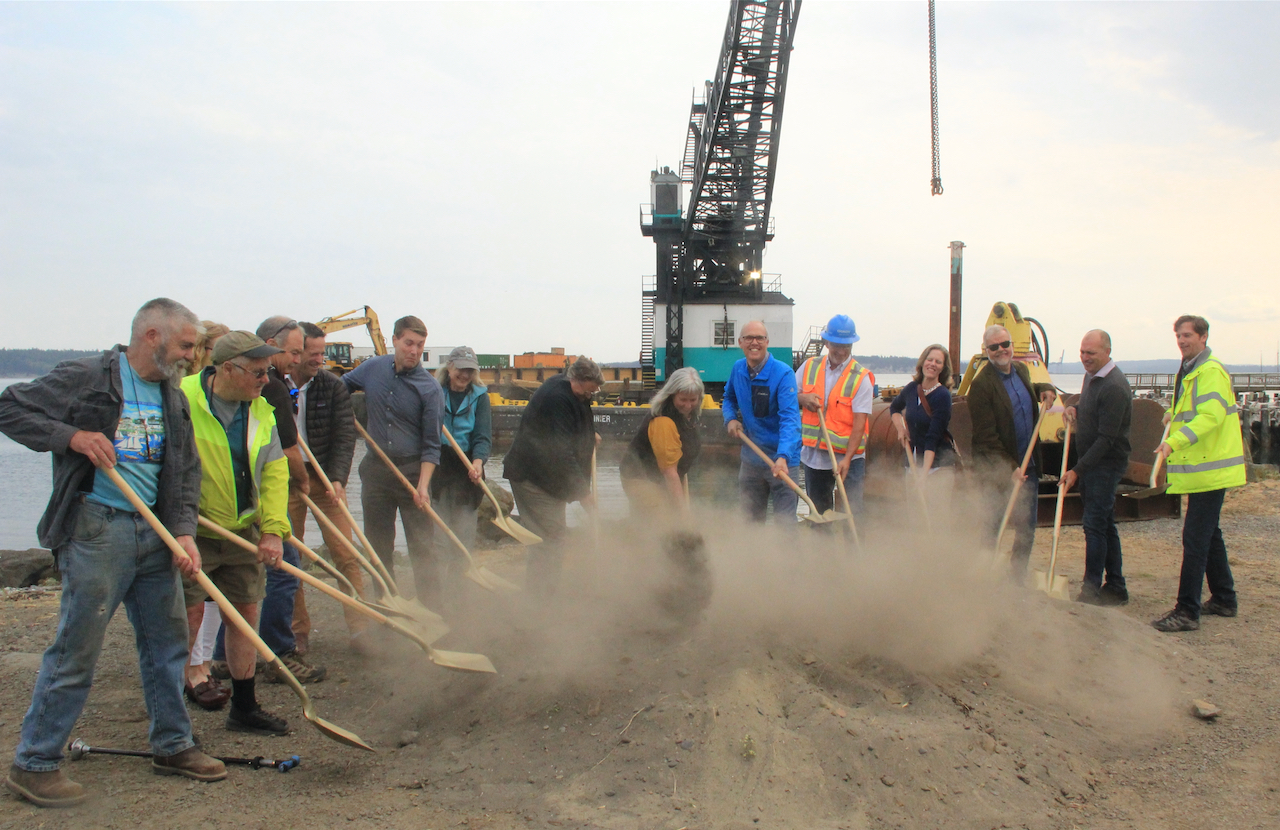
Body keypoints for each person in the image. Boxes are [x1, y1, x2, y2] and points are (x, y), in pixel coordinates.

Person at [0, 298, 226, 807]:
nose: (193, 356)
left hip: (155, 535)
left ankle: (172, 744)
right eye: (187, 345)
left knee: (167, 643)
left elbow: (185, 470)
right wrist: (72, 436)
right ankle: (34, 763)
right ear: (152, 335)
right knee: (77, 649)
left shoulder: (172, 395)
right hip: (97, 531)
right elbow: (8, 406)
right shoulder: (88, 377)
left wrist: (184, 530)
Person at [181, 331, 292, 736]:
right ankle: (174, 718)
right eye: (259, 372)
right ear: (227, 369)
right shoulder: (182, 399)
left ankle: (244, 708)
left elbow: (276, 473)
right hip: (191, 529)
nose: (267, 379)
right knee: (188, 618)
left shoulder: (261, 410)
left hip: (243, 529)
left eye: (267, 371)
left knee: (244, 615)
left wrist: (274, 530)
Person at [237, 316, 325, 683]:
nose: (297, 358)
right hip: (261, 494)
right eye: (293, 351)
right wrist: (303, 481)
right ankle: (279, 651)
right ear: (271, 344)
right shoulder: (272, 387)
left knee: (233, 579)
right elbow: (288, 451)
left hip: (242, 494)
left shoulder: (253, 384)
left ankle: (219, 657)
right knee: (285, 573)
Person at [1150, 315, 1245, 632]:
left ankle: (1187, 611)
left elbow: (1210, 416)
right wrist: (1170, 415)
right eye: (1178, 335)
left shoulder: (1210, 371)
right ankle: (1224, 598)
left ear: (1203, 337)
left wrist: (1173, 443)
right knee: (1208, 533)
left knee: (1195, 538)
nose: (1181, 340)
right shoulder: (1191, 369)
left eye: (1187, 335)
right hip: (1203, 470)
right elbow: (1189, 409)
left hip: (1211, 469)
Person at [342, 316, 444, 607]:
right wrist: (341, 410)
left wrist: (423, 487)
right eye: (409, 343)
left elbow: (431, 446)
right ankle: (388, 606)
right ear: (395, 340)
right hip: (375, 470)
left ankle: (431, 610)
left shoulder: (430, 389)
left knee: (422, 548)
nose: (414, 351)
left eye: (420, 345)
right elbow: (342, 386)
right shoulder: (373, 368)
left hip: (413, 473)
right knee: (378, 547)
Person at [288, 322, 368, 653]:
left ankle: (360, 627)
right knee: (292, 557)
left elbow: (344, 436)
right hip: (287, 478)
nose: (319, 359)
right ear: (297, 352)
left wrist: (337, 478)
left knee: (346, 553)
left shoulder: (332, 386)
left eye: (323, 352)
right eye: (313, 353)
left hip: (324, 478)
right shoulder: (276, 385)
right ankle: (298, 631)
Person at [503, 356, 603, 597]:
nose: (594, 393)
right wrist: (583, 493)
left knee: (552, 536)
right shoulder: (557, 397)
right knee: (550, 538)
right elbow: (561, 452)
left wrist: (589, 436)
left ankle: (545, 592)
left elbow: (570, 426)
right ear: (578, 381)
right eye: (592, 389)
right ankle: (541, 597)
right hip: (533, 477)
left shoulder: (573, 390)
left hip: (549, 478)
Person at [967, 324, 1057, 581]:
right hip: (999, 471)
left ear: (1012, 346)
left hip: (1028, 466)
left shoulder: (1020, 370)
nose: (1000, 350)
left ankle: (1016, 578)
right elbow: (986, 438)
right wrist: (1009, 469)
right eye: (994, 347)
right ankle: (984, 578)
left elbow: (1028, 391)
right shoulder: (981, 387)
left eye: (1004, 344)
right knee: (993, 525)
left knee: (1026, 527)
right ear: (986, 350)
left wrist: (1044, 390)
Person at [1060, 330, 1132, 606]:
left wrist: (1077, 470)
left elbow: (1106, 439)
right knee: (1104, 523)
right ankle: (1116, 585)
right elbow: (1091, 404)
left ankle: (1090, 589)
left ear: (1107, 352)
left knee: (1094, 525)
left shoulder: (1114, 385)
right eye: (1082, 352)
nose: (1085, 358)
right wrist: (1074, 407)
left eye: (1091, 353)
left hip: (1105, 464)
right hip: (1091, 463)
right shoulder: (1093, 376)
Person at [186, 321, 230, 707]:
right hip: (191, 510)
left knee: (217, 597)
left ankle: (205, 662)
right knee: (193, 598)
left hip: (223, 509)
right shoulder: (187, 392)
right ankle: (192, 669)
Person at [794, 315, 873, 520]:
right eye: (837, 345)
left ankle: (853, 552)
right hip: (815, 457)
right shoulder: (809, 367)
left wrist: (847, 459)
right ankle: (823, 551)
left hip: (849, 458)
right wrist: (803, 398)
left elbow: (859, 423)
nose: (841, 351)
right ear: (827, 343)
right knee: (820, 514)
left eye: (846, 346)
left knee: (852, 512)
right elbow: (788, 398)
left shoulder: (861, 377)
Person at [431, 346, 493, 606]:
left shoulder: (480, 397)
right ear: (449, 367)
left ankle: (458, 594)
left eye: (470, 370)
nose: (464, 375)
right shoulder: (434, 393)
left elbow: (482, 436)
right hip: (436, 465)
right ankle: (435, 594)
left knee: (464, 535)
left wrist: (478, 463)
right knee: (438, 536)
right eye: (460, 369)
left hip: (467, 465)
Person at [722, 320, 801, 523]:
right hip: (751, 461)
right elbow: (729, 397)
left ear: (767, 342)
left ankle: (786, 555)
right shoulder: (738, 369)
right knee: (750, 523)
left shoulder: (783, 374)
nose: (754, 342)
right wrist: (730, 418)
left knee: (785, 526)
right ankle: (754, 555)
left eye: (759, 338)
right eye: (749, 338)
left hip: (782, 462)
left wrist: (783, 456)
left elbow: (790, 420)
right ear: (740, 342)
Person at [620, 366, 704, 514]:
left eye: (693, 400)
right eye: (683, 399)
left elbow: (679, 468)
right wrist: (684, 516)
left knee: (673, 516)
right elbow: (670, 472)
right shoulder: (663, 421)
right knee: (662, 522)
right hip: (640, 478)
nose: (688, 405)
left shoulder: (689, 418)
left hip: (666, 479)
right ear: (671, 395)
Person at [890, 344, 955, 476]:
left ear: (943, 368)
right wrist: (901, 429)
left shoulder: (942, 396)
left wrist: (924, 474)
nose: (932, 364)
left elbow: (933, 437)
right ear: (923, 362)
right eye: (929, 360)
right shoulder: (911, 389)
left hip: (938, 467)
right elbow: (895, 408)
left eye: (938, 362)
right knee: (911, 497)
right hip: (913, 464)